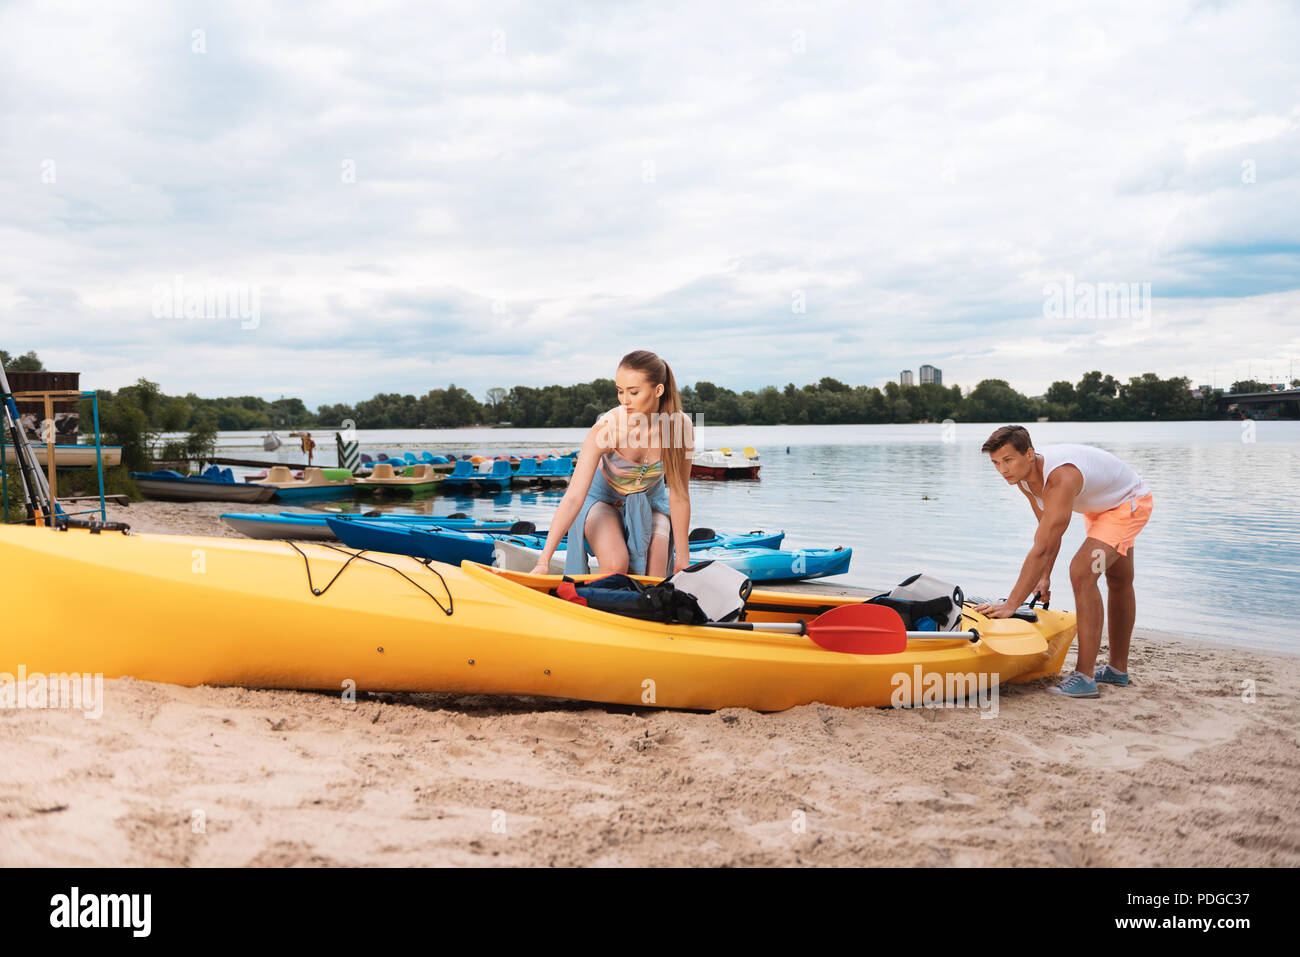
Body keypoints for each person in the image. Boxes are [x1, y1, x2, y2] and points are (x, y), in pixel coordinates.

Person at [972, 426, 1153, 698]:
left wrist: (1012, 604)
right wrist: (1044, 577)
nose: (1002, 470)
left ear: (1029, 454)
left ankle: (1084, 677)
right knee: (1118, 580)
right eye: (996, 463)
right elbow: (1047, 534)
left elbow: (1042, 547)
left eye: (1008, 460)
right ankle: (1117, 670)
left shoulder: (1060, 478)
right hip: (1099, 507)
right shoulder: (1024, 480)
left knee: (1082, 572)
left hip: (1127, 503)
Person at [529, 351, 693, 578]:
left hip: (649, 500)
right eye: (620, 391)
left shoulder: (680, 427)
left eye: (634, 392)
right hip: (601, 501)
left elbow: (680, 494)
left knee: (655, 571)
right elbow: (574, 496)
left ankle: (648, 608)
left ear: (658, 390)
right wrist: (544, 561)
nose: (624, 400)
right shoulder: (608, 429)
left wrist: (683, 561)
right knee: (616, 565)